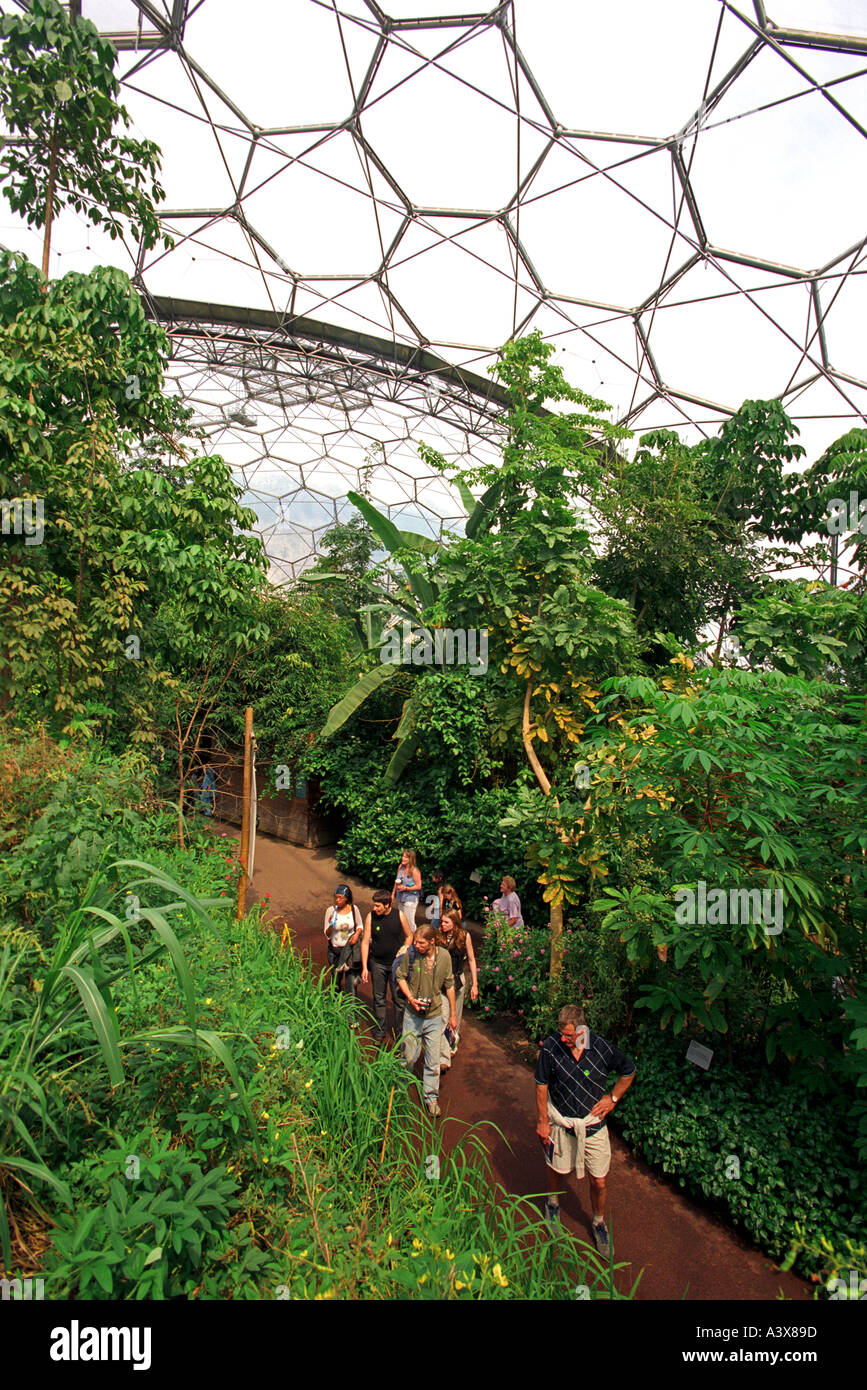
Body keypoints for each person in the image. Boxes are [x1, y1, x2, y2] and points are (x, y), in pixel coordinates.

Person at [534, 1004, 636, 1256]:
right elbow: (541, 1085)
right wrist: (543, 1121)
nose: (563, 1039)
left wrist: (612, 1099)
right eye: (561, 1033)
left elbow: (629, 1071)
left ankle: (598, 1222)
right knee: (556, 1168)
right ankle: (553, 1204)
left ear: (582, 1030)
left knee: (599, 1181)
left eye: (569, 1035)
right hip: (561, 1122)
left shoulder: (600, 1048)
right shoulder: (551, 1048)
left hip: (593, 1125)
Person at [396, 922, 457, 1118]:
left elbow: (449, 985)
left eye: (421, 943)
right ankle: (400, 1090)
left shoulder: (445, 957)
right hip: (413, 1015)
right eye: (415, 942)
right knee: (410, 1056)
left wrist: (453, 1015)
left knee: (432, 1060)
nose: (417, 946)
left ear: (432, 942)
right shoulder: (412, 955)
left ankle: (431, 1098)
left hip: (435, 1016)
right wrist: (411, 999)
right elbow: (400, 977)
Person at [361, 889, 412, 1041]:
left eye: (378, 906)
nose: (374, 909)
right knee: (379, 998)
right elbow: (365, 941)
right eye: (374, 905)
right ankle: (379, 1031)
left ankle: (400, 1034)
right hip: (377, 964)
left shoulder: (399, 916)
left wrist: (404, 949)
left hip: (396, 965)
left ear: (387, 904)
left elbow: (410, 935)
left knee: (399, 1000)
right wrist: (364, 966)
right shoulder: (371, 917)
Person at [435, 909, 478, 1071]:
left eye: (446, 922)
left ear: (454, 922)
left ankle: (452, 1044)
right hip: (442, 983)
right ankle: (443, 1058)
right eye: (442, 921)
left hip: (458, 980)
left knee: (456, 1018)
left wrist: (475, 984)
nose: (443, 925)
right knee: (445, 1016)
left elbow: (472, 960)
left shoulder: (464, 936)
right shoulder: (438, 936)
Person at [323, 885, 363, 1016]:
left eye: (340, 898)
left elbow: (360, 926)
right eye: (336, 897)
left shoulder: (353, 909)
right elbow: (327, 934)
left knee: (351, 984)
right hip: (335, 951)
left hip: (349, 951)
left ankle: (352, 1015)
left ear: (346, 898)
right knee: (336, 981)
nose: (337, 900)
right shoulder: (331, 910)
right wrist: (331, 924)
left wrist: (356, 935)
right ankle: (335, 1011)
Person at [391, 849, 422, 931]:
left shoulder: (415, 871)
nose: (403, 858)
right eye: (403, 856)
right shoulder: (400, 867)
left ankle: (415, 940)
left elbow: (419, 886)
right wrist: (392, 894)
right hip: (401, 897)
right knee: (401, 919)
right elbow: (396, 882)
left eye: (405, 857)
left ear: (410, 859)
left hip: (410, 899)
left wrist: (406, 888)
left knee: (409, 922)